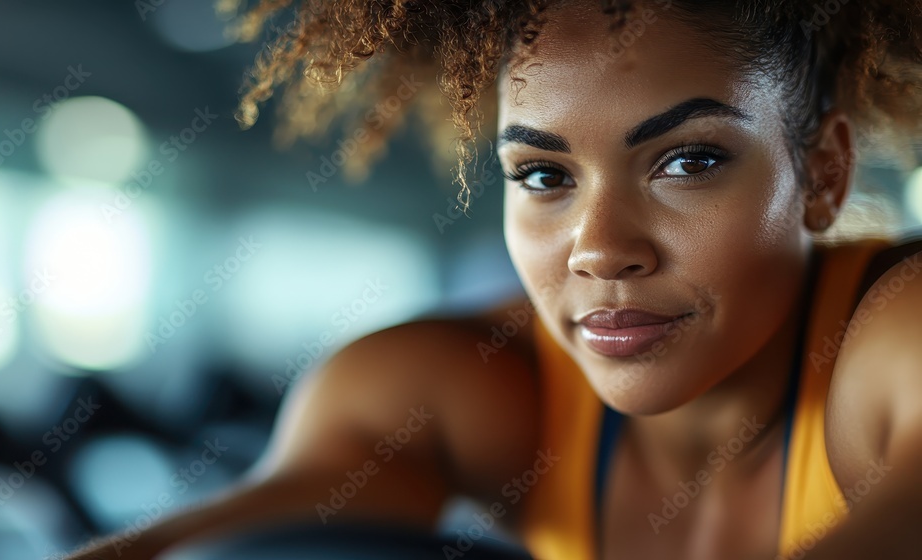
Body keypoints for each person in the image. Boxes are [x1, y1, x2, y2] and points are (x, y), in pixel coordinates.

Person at [65, 1, 922, 558]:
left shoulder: (898, 331)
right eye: (545, 178)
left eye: (688, 161)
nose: (598, 250)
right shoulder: (468, 382)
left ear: (823, 176)